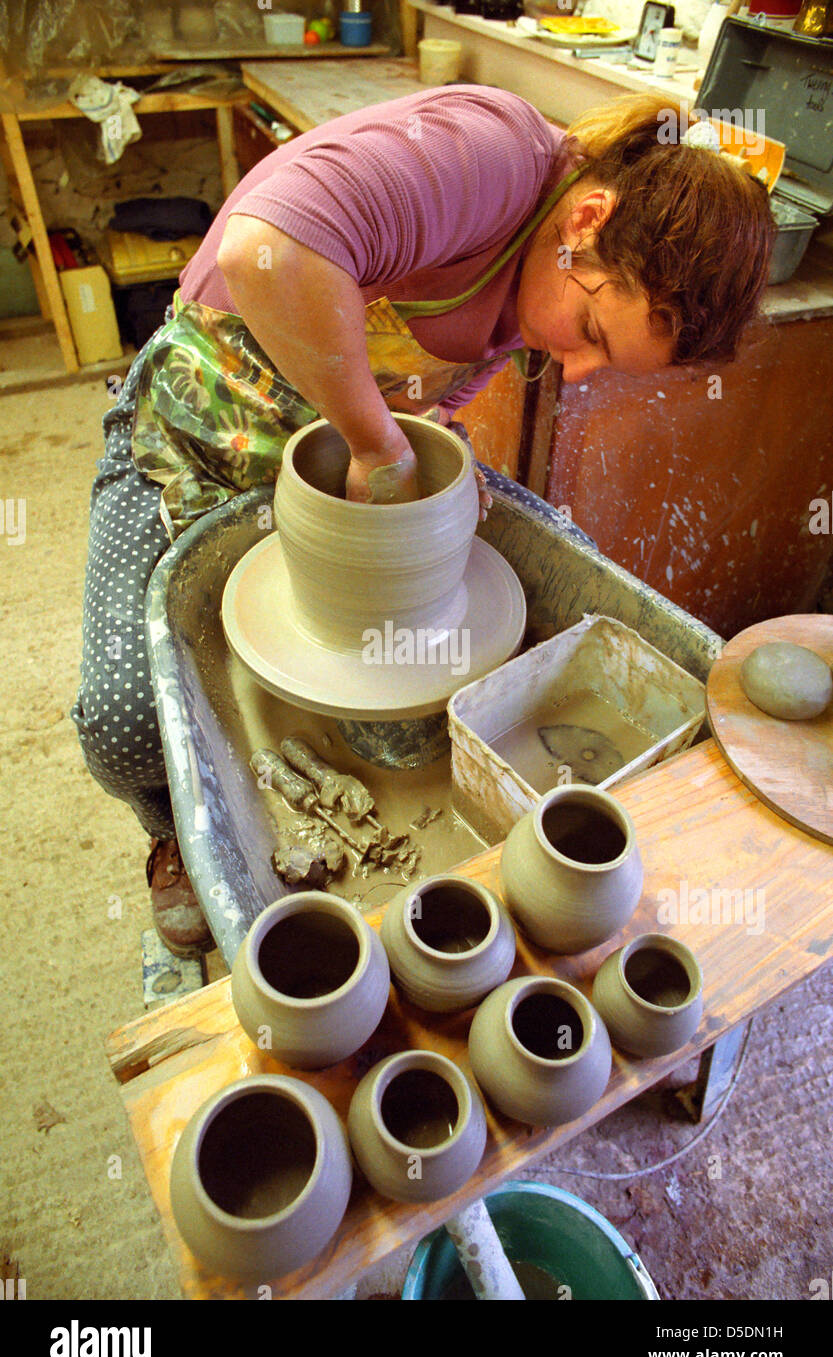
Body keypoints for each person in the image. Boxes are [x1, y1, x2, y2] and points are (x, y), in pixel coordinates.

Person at [71, 85, 775, 956]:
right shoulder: (484, 157)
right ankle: (176, 832)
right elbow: (263, 254)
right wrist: (376, 446)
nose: (581, 370)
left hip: (363, 447)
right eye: (589, 329)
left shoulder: (555, 264)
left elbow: (457, 359)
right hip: (205, 414)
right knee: (123, 717)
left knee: (561, 582)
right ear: (587, 218)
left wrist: (433, 438)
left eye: (603, 358)